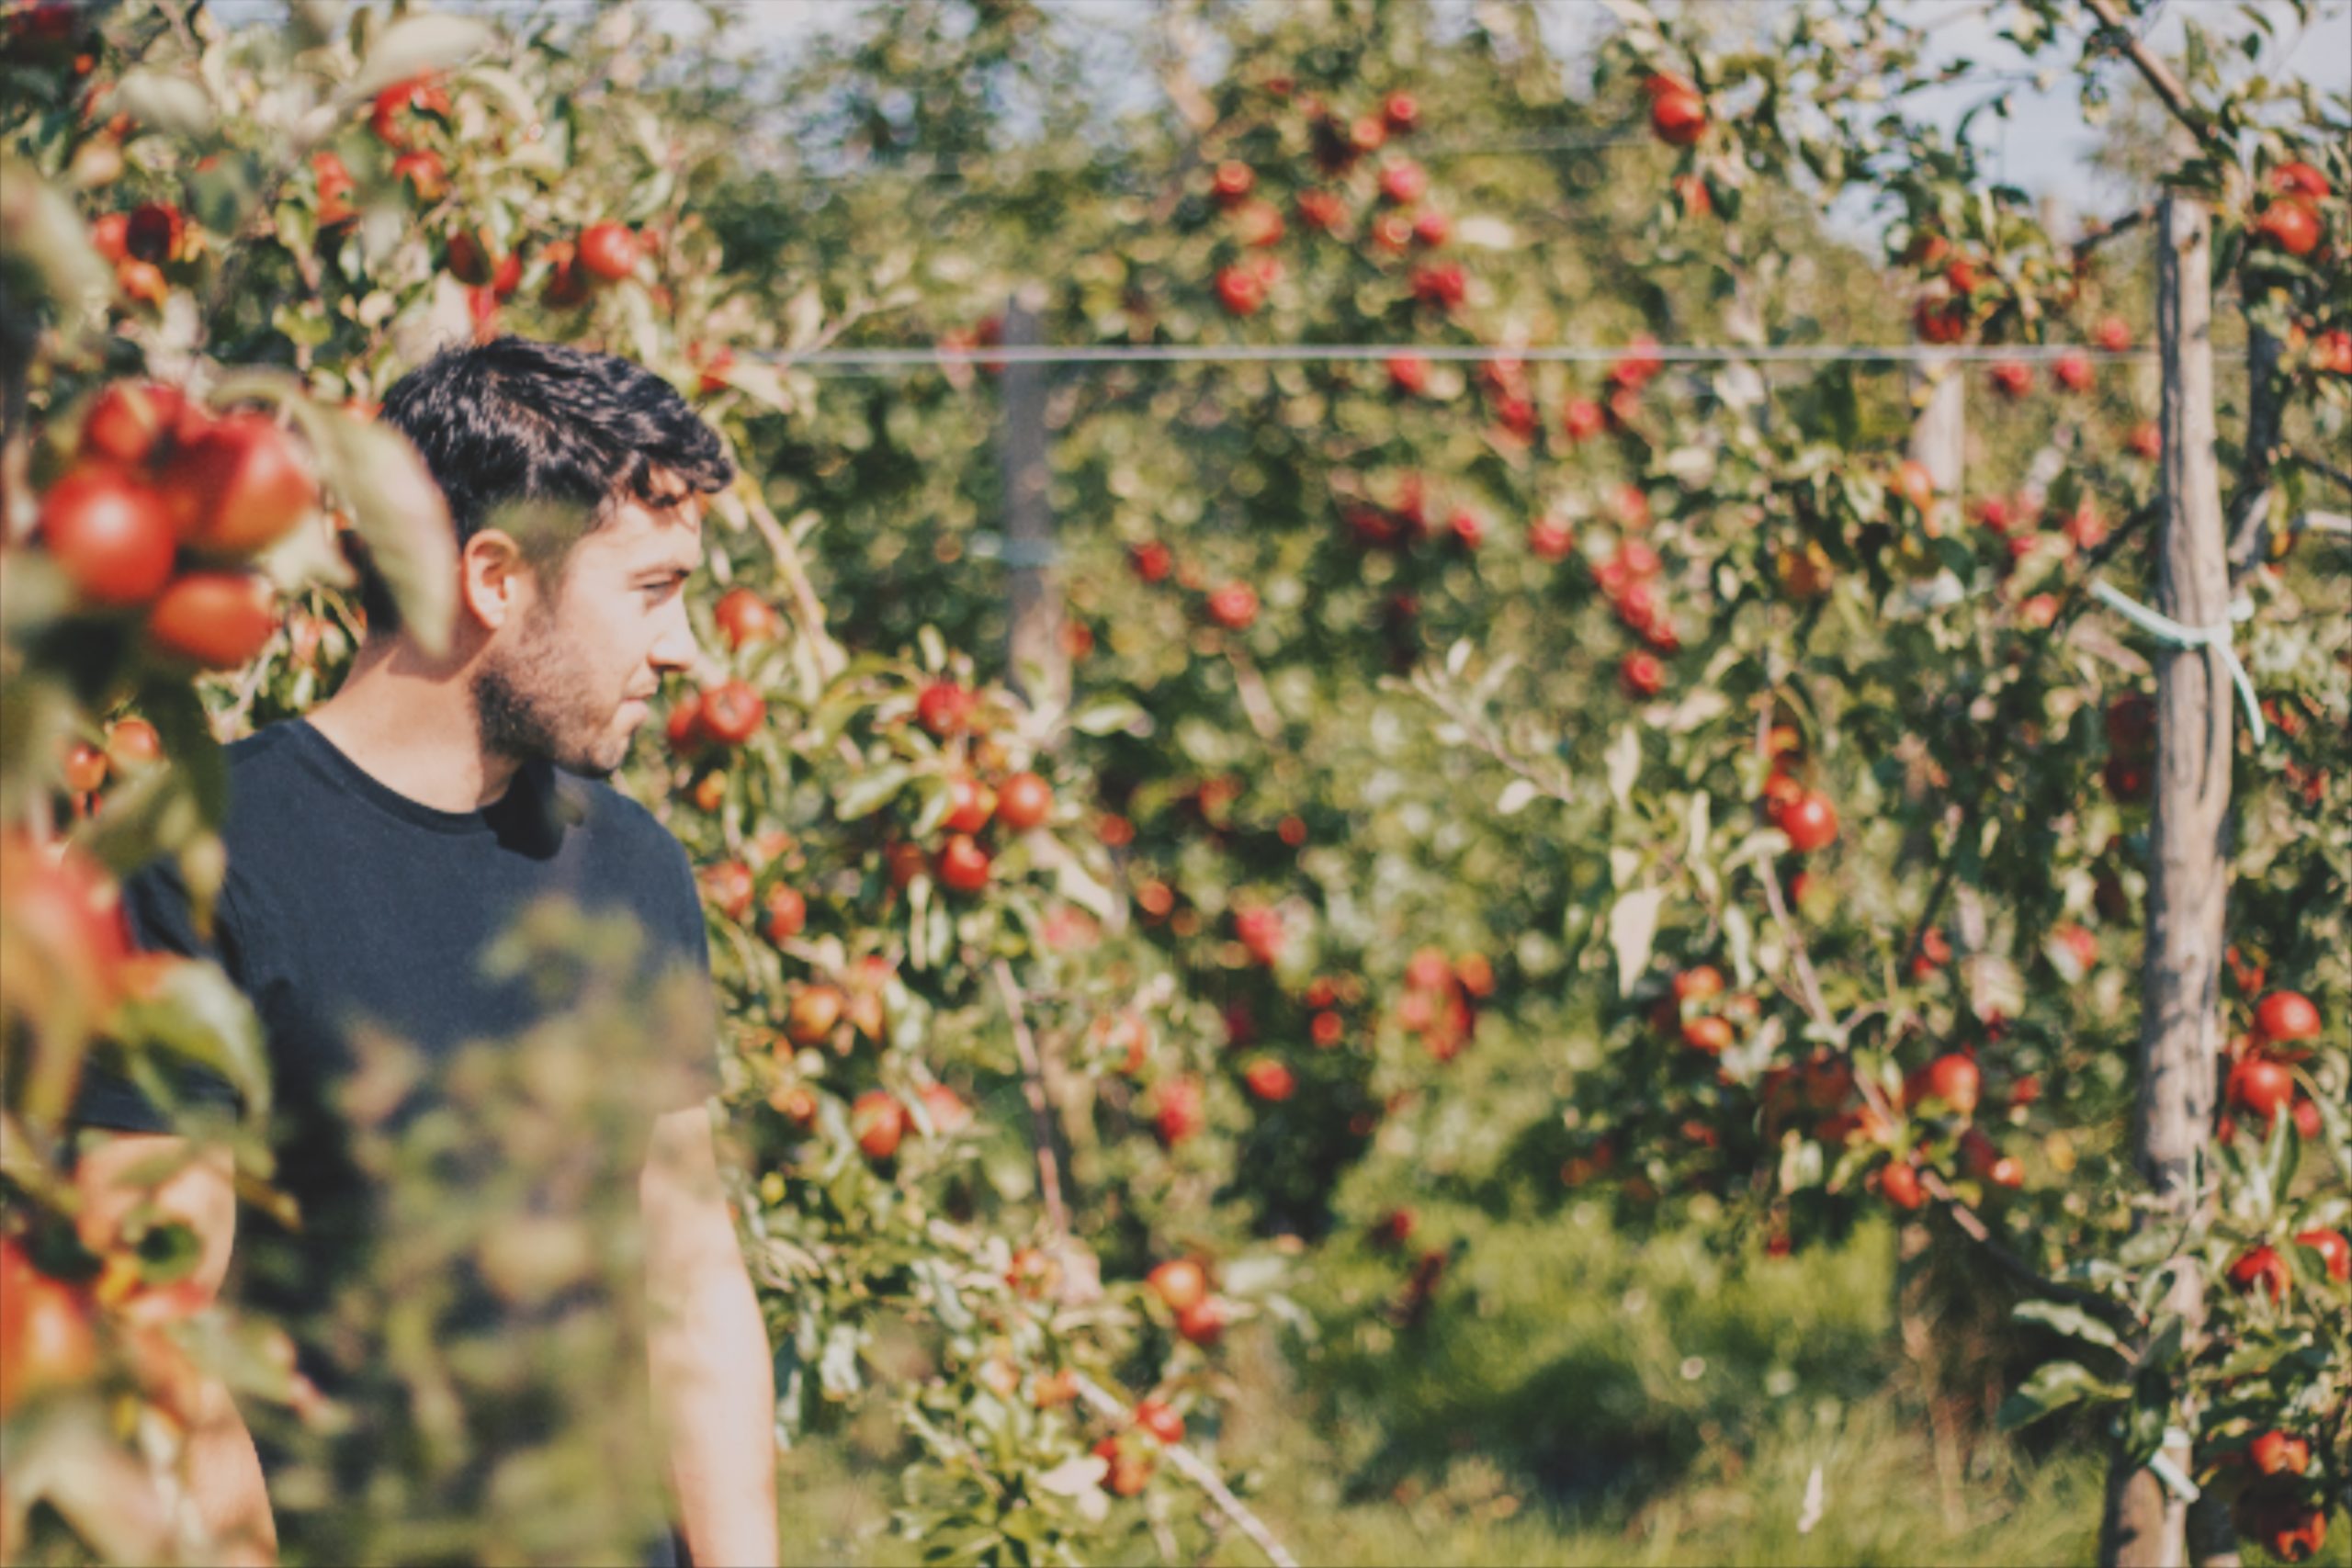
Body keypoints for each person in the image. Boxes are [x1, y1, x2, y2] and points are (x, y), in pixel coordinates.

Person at [67, 337, 780, 1565]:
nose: (685, 653)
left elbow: (691, 1277)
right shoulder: (190, 866)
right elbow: (153, 1338)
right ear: (496, 578)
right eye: (652, 591)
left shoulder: (632, 865)